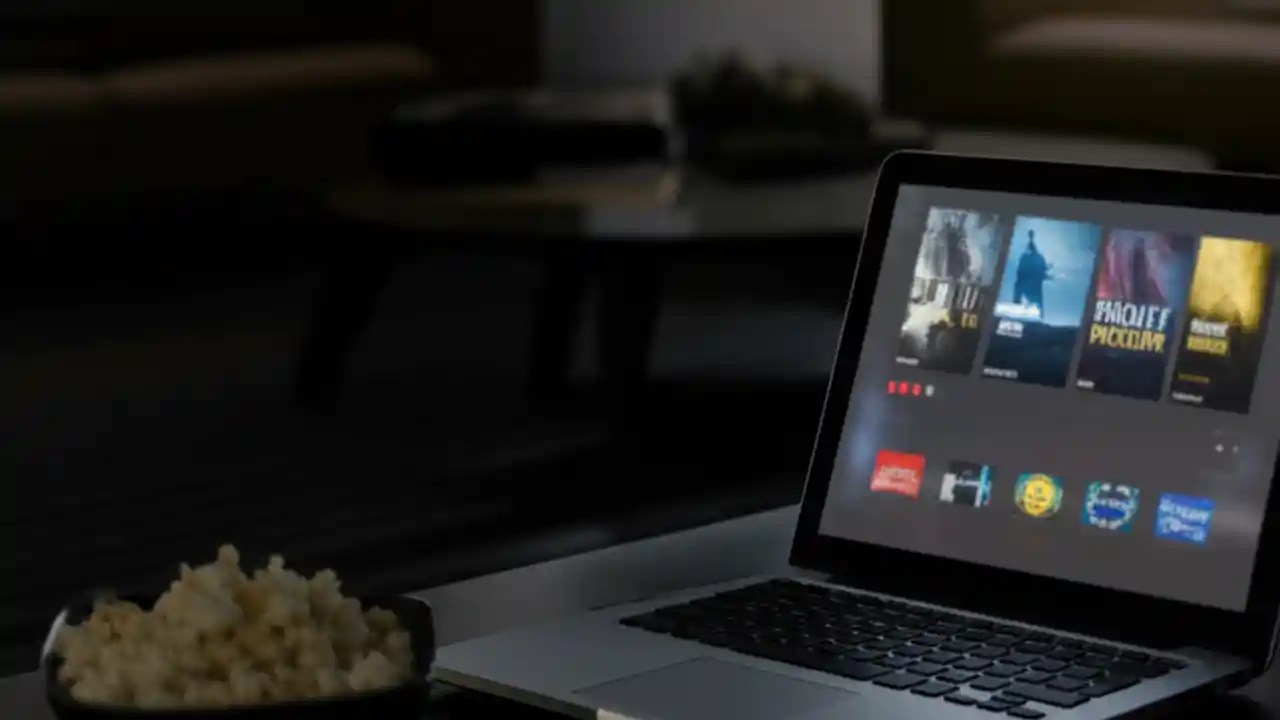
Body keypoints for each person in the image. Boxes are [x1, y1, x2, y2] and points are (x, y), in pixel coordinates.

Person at [1013, 229, 1051, 317]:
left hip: (1030, 286)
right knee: (1038, 301)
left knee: (1037, 300)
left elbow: (1020, 272)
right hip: (1031, 286)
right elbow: (1043, 270)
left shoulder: (1027, 257)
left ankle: (1017, 307)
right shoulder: (1035, 258)